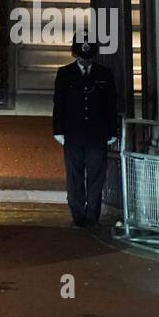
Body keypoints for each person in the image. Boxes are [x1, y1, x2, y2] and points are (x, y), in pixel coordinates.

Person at [53, 34, 118, 228]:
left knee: (96, 175)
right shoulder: (64, 74)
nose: (85, 60)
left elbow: (110, 104)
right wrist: (58, 130)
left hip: (97, 133)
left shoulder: (104, 74)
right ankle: (78, 212)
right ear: (75, 54)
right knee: (75, 175)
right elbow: (59, 105)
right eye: (82, 57)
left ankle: (92, 215)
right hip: (73, 133)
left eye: (88, 57)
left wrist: (111, 131)